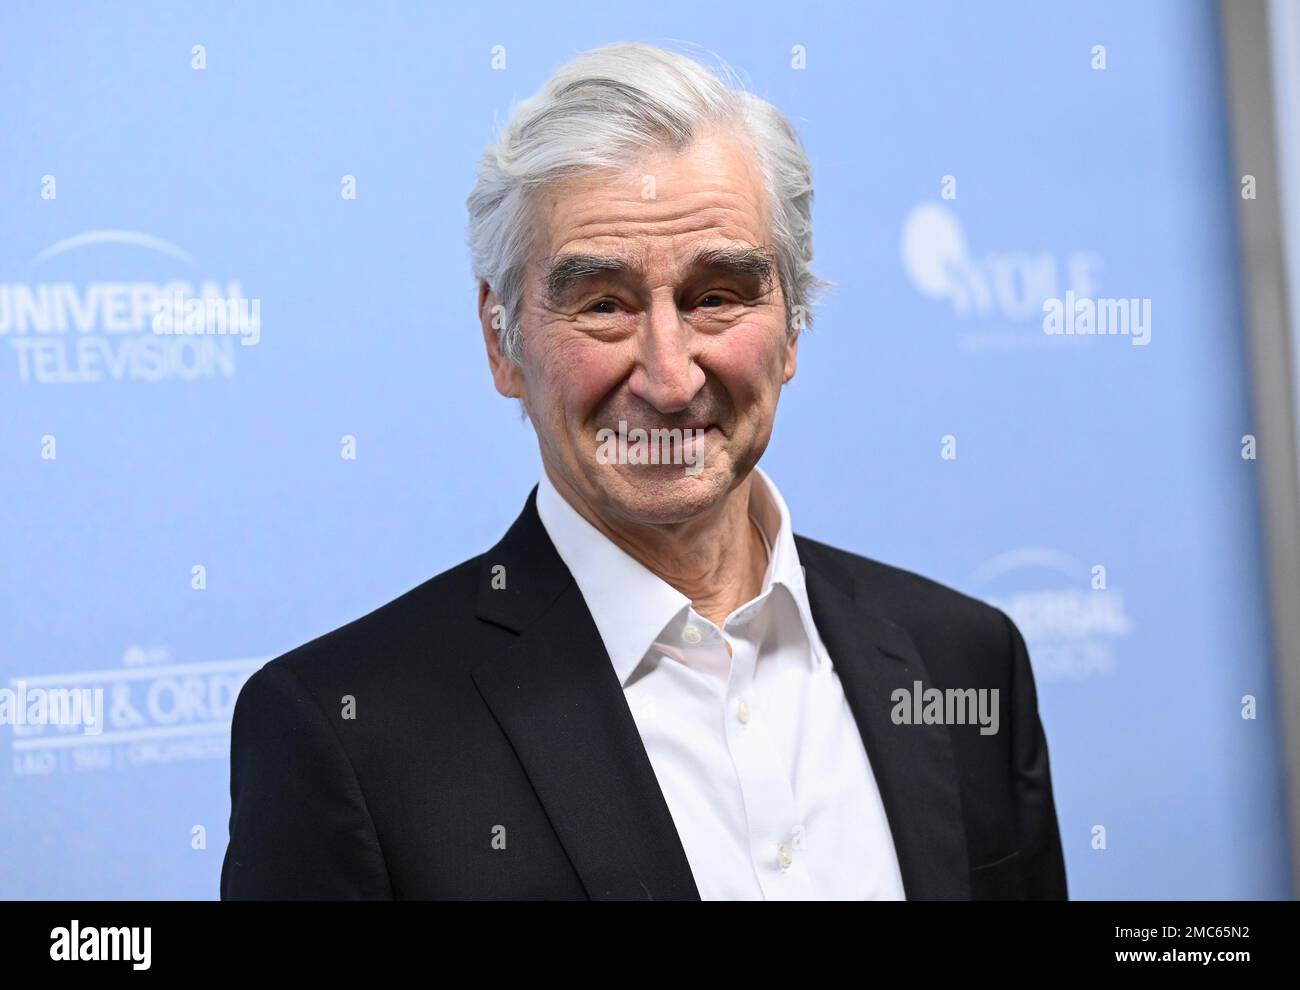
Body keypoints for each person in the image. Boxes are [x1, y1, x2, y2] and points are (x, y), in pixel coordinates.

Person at [221, 41, 1067, 900]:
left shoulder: (963, 660)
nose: (671, 379)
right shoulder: (343, 737)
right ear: (500, 339)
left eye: (716, 296)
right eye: (604, 305)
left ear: (793, 329)